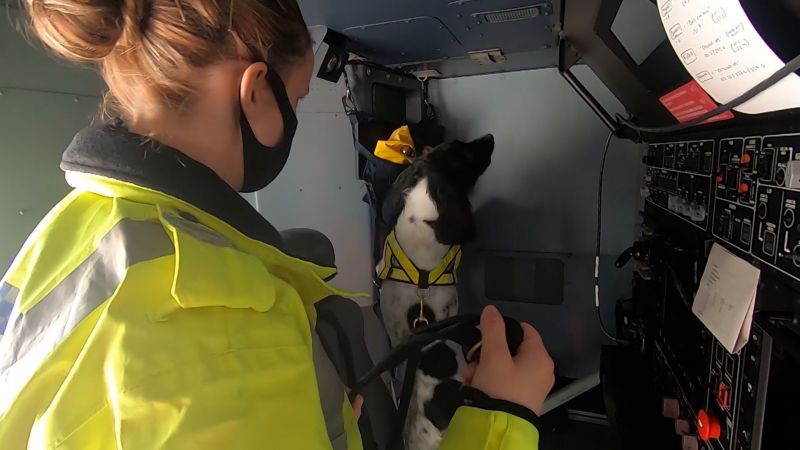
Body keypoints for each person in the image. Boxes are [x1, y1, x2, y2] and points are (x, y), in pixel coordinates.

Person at [0, 0, 555, 447]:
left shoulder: (70, 235)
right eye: (298, 97)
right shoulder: (221, 327)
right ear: (255, 91)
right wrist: (501, 417)